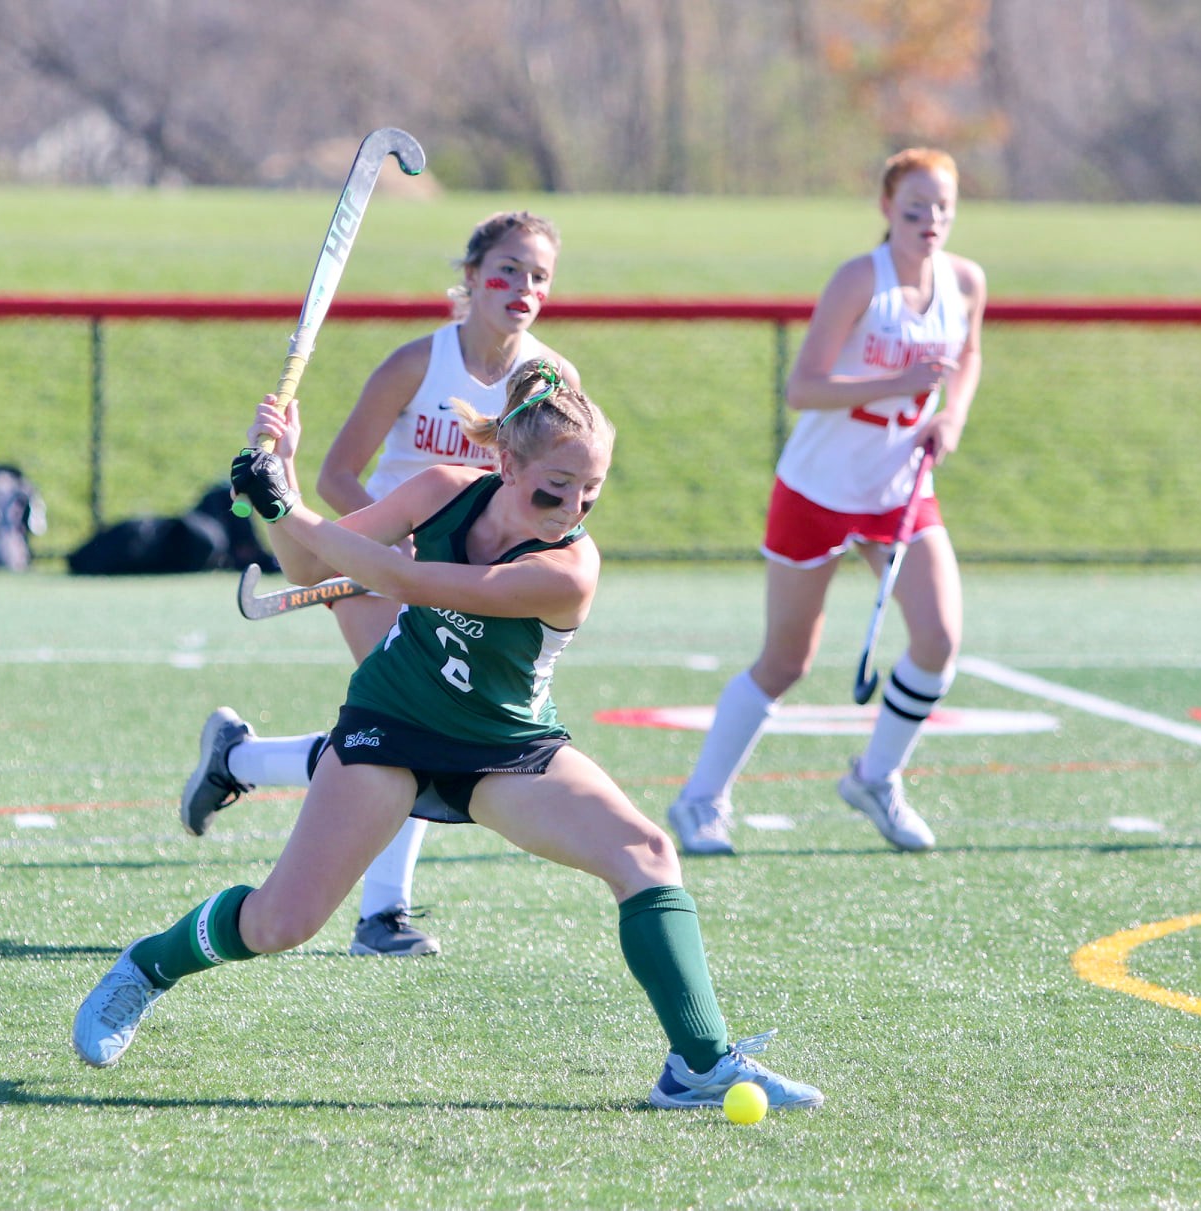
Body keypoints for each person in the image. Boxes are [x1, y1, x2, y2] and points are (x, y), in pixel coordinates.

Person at [73, 362, 824, 1112]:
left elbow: (416, 585)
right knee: (281, 922)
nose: (569, 509)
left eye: (590, 493)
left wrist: (293, 510)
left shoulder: (568, 568)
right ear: (504, 462)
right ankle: (146, 966)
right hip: (392, 724)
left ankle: (699, 1066)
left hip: (506, 745)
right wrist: (287, 479)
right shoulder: (441, 490)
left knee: (646, 854)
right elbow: (304, 566)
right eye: (552, 489)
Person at [179, 211, 579, 958]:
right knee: (409, 727)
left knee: (397, 737)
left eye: (539, 275)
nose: (523, 286)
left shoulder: (551, 380)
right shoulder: (415, 364)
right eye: (508, 268)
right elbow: (336, 472)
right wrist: (389, 546)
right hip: (380, 566)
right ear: (469, 276)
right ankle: (381, 915)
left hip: (468, 583)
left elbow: (561, 494)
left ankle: (236, 758)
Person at [667, 147, 988, 857]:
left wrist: (950, 415)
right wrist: (896, 382)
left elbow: (965, 359)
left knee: (938, 639)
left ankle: (875, 777)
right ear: (884, 208)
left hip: (900, 487)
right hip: (818, 486)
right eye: (913, 207)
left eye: (941, 207)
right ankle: (698, 800)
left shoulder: (965, 281)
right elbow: (803, 388)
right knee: (787, 659)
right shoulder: (857, 281)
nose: (929, 220)